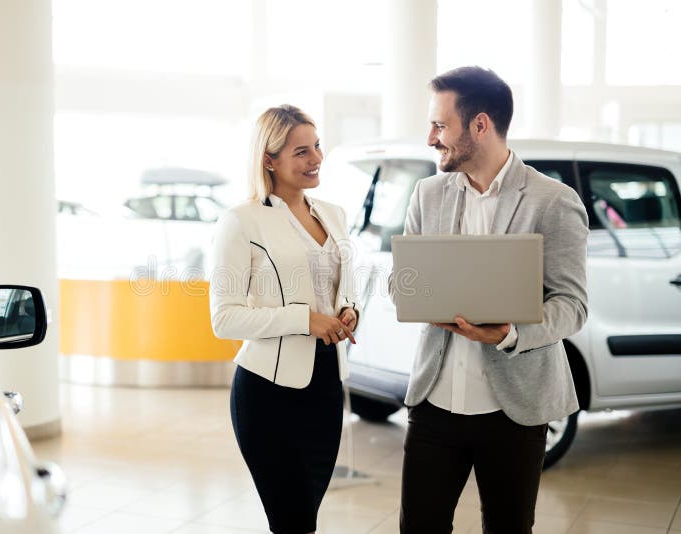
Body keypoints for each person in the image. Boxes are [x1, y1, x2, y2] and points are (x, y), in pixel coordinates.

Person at [389, 66, 589, 534]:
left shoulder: (552, 201)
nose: (430, 138)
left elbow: (572, 304)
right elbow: (406, 281)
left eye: (440, 125)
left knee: (507, 527)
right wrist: (408, 289)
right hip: (435, 401)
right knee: (418, 526)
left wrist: (510, 333)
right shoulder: (427, 193)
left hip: (513, 410)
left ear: (480, 124)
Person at [209, 104, 360, 534]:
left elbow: (341, 285)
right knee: (292, 519)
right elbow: (225, 318)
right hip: (268, 395)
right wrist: (304, 320)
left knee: (305, 516)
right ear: (269, 159)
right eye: (301, 151)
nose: (315, 159)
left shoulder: (334, 214)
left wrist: (349, 310)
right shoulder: (241, 221)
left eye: (317, 147)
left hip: (327, 386)